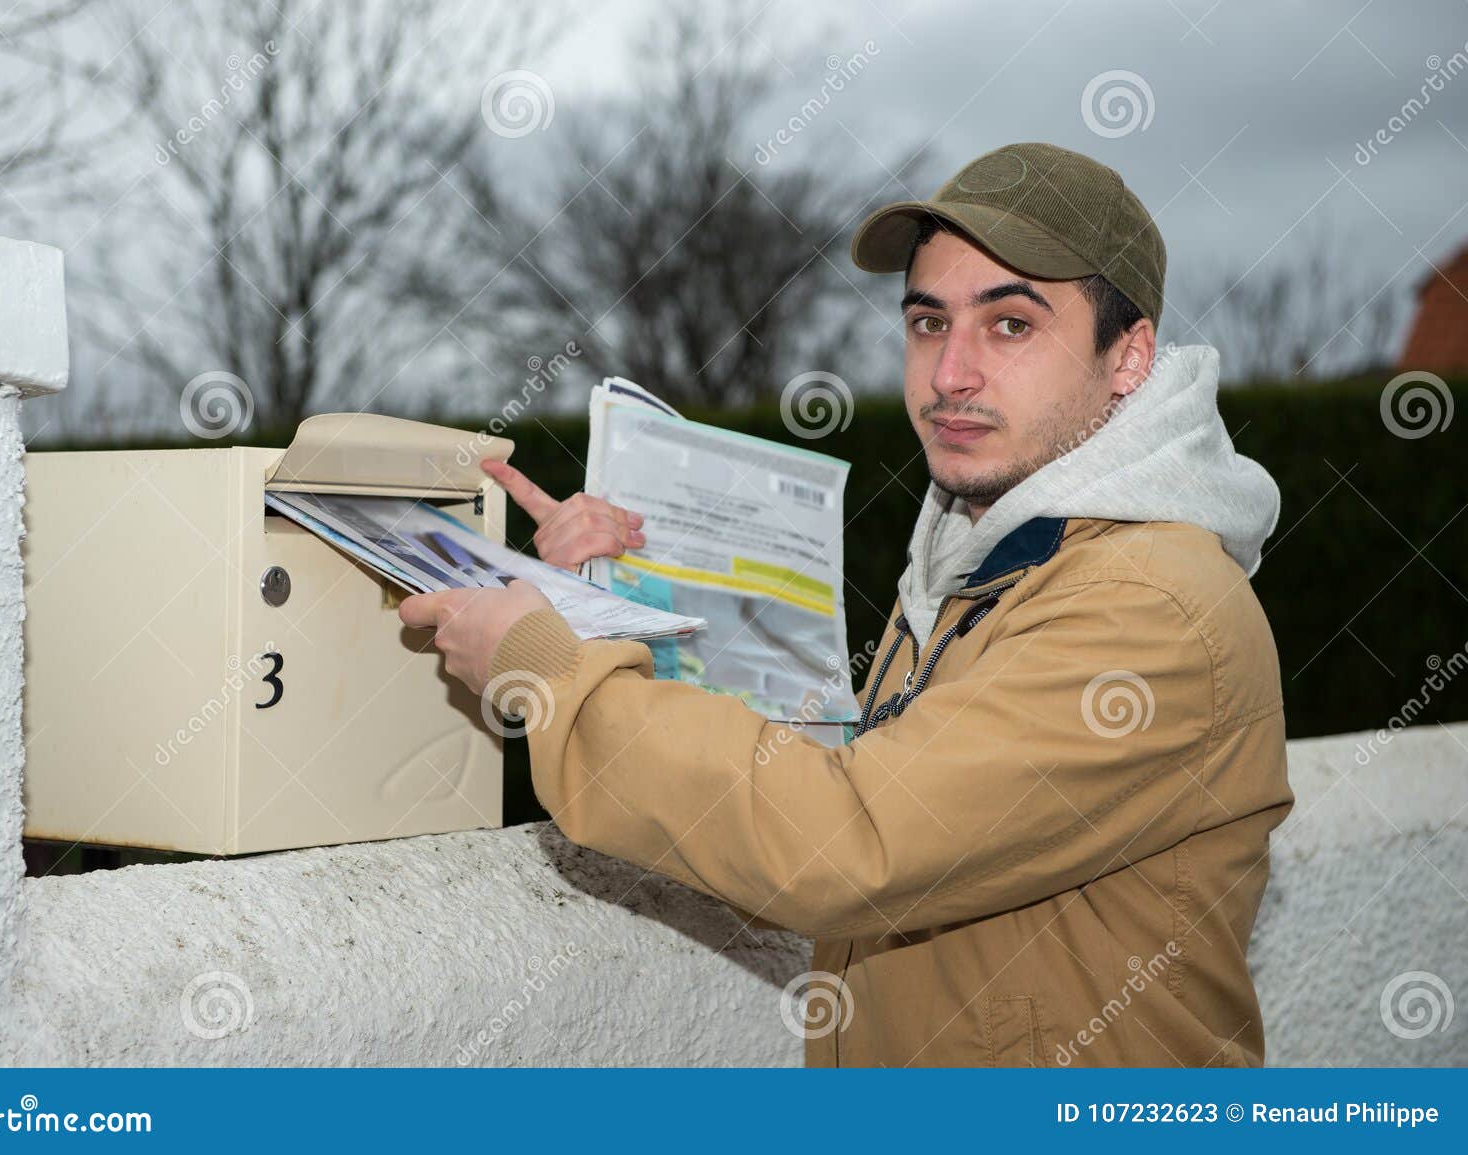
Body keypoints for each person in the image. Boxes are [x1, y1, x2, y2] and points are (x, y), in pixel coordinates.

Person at [400, 142, 1294, 1067]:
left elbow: (849, 844)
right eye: (927, 322)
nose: (951, 373)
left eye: (1012, 326)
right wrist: (595, 605)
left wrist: (549, 673)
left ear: (1129, 357)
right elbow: (808, 785)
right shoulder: (991, 561)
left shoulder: (1146, 605)